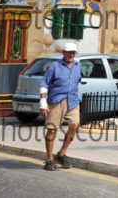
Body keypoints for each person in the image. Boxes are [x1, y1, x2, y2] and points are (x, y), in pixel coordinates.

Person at [40, 42, 81, 171]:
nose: (71, 55)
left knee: (75, 124)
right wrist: (43, 103)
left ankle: (61, 154)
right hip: (56, 101)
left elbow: (77, 81)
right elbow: (44, 83)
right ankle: (49, 159)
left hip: (72, 101)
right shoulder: (54, 67)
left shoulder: (77, 65)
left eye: (73, 52)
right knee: (52, 129)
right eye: (69, 52)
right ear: (63, 53)